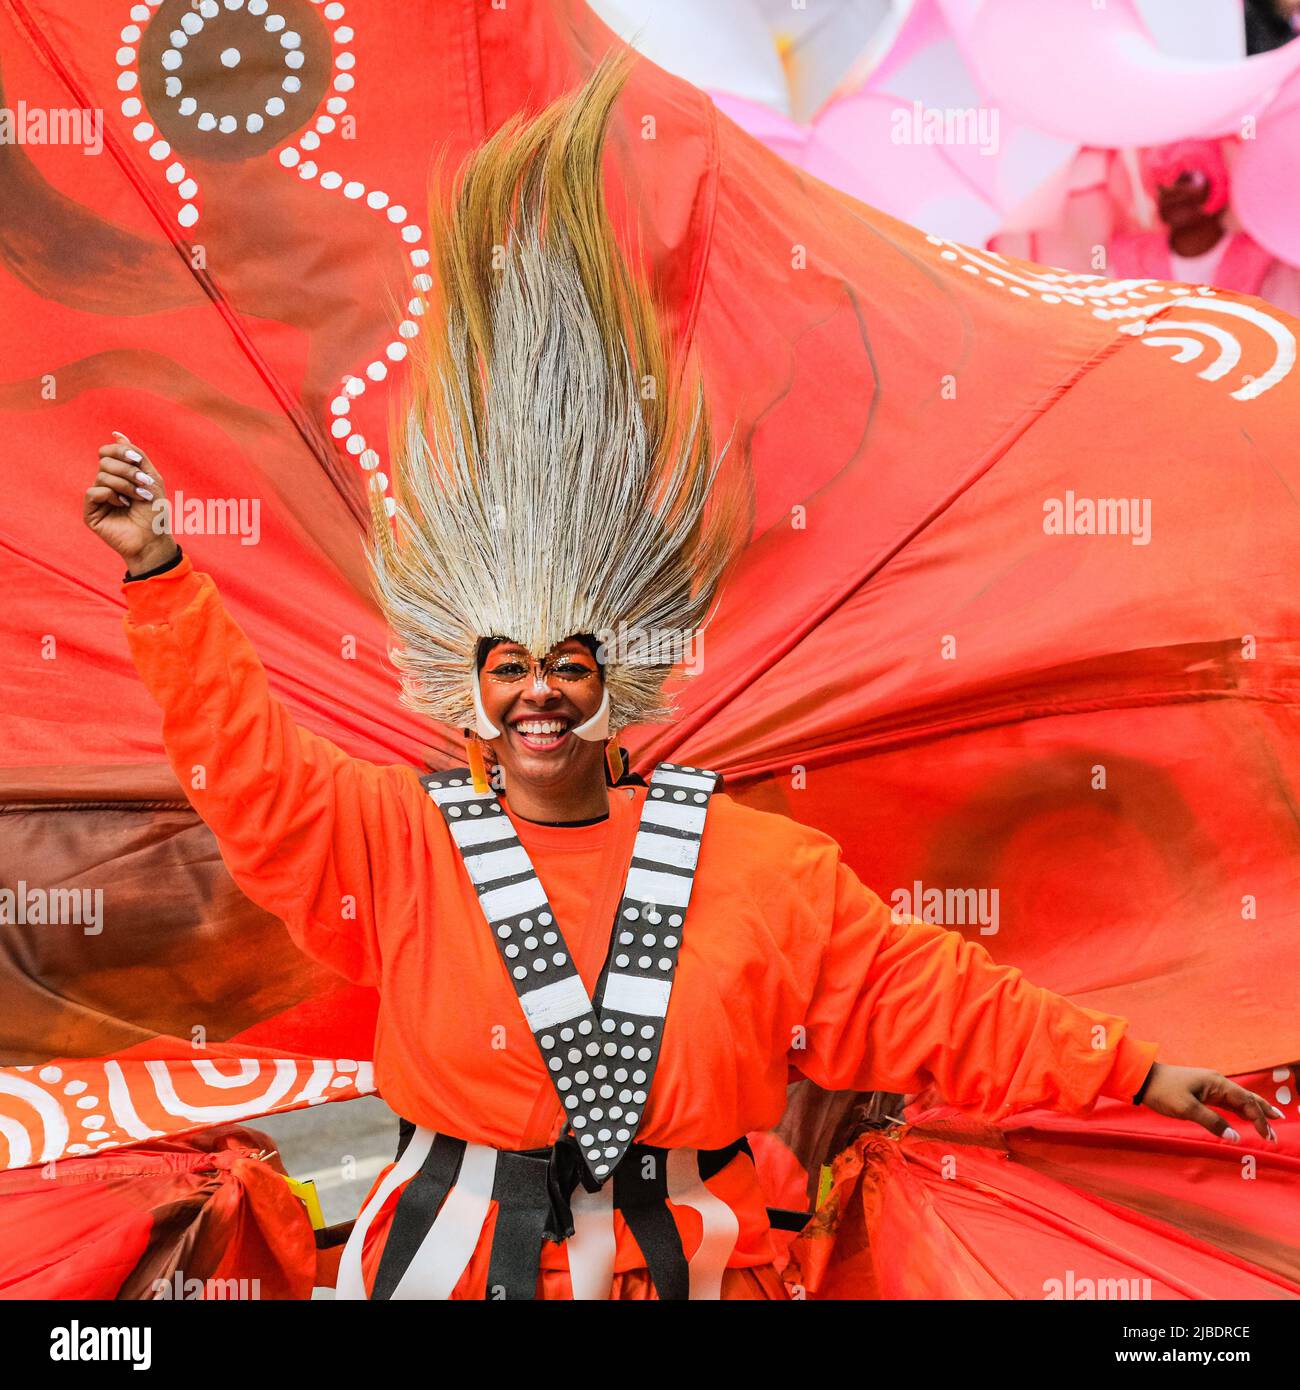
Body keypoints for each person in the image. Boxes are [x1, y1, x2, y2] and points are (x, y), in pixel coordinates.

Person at [83, 57, 1282, 1302]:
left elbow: (931, 998)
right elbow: (254, 781)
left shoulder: (766, 874)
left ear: (619, 675)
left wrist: (1133, 1074)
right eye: (508, 667)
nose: (538, 693)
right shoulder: (394, 844)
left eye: (568, 664)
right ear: (470, 681)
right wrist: (164, 575)